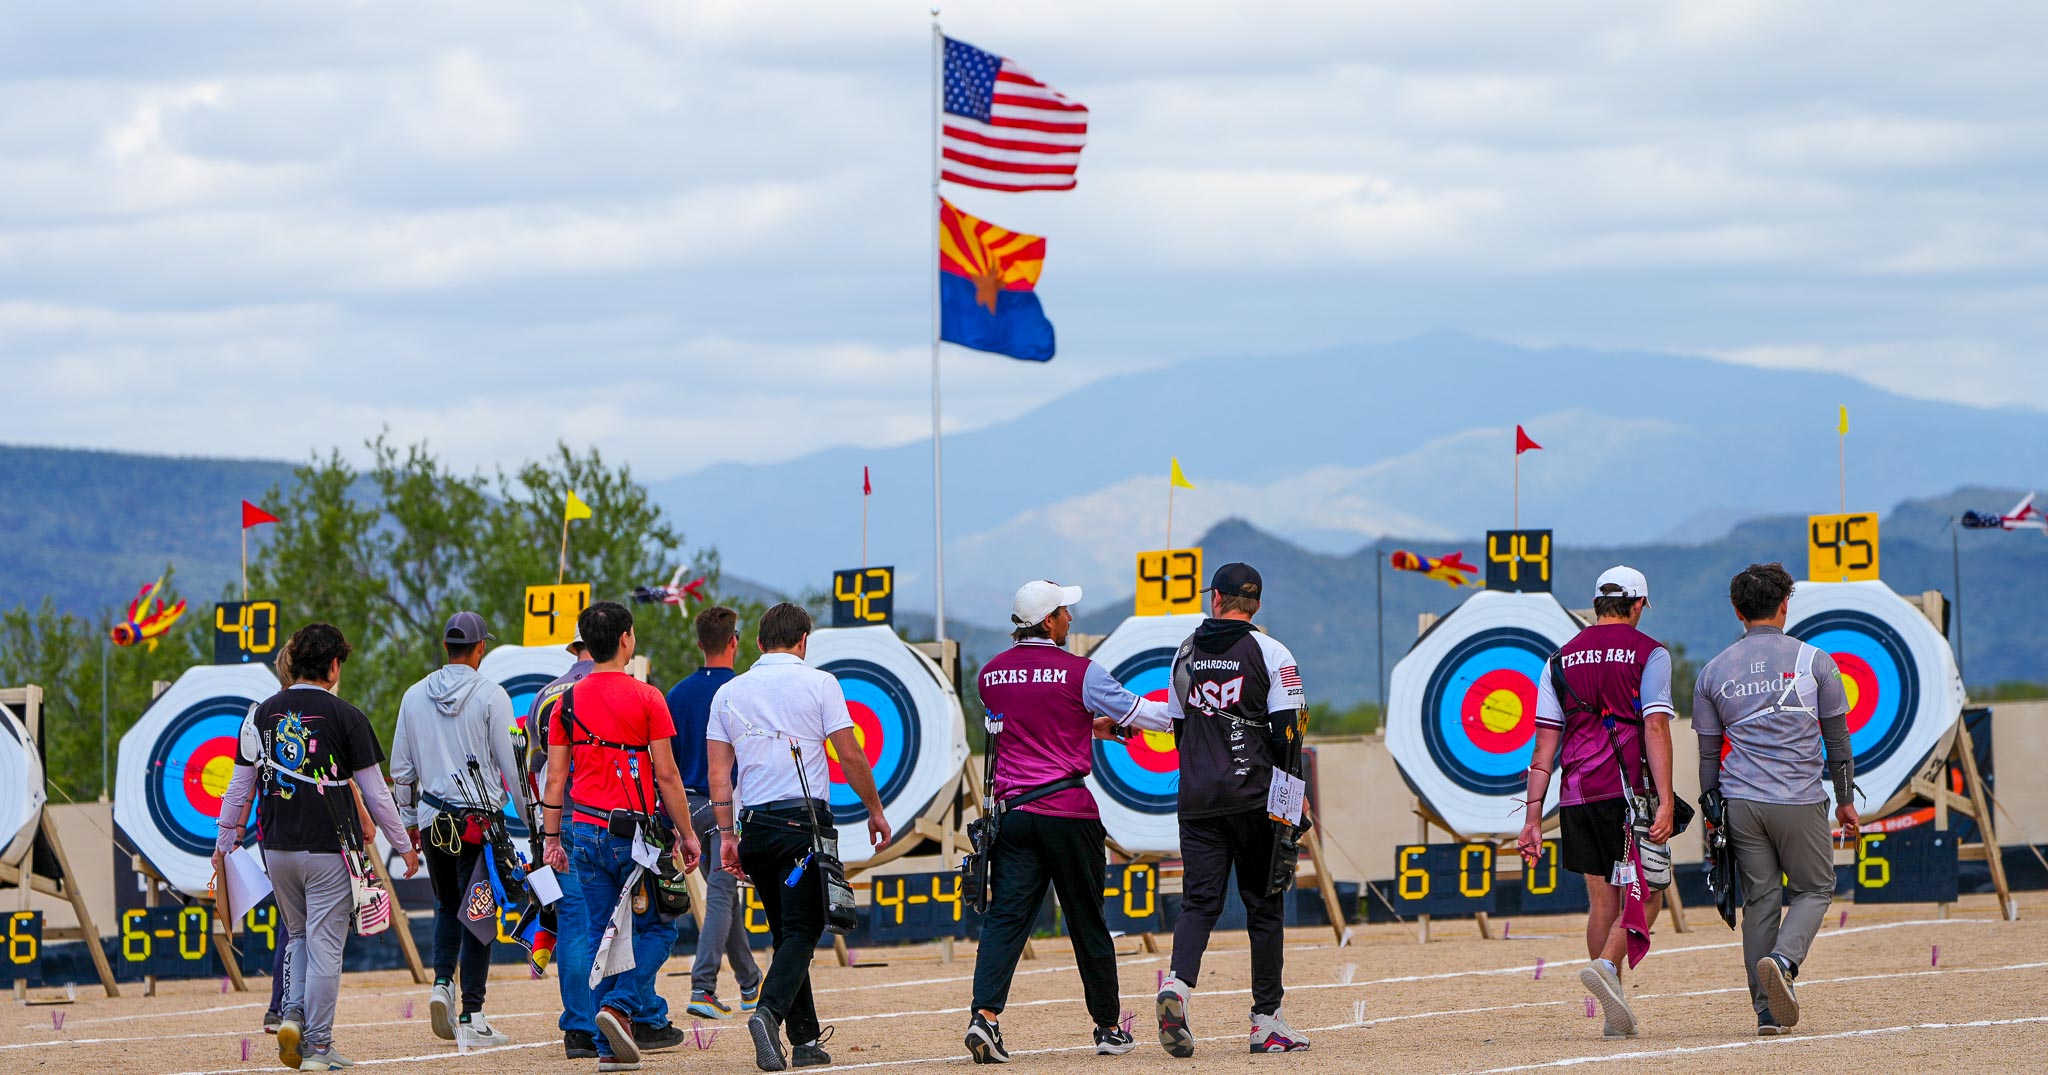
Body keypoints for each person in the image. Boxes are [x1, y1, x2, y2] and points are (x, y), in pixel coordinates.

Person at [963, 580, 1167, 1063]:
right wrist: (1197, 712)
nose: (1071, 620)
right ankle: (1109, 1028)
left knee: (1007, 920)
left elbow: (1032, 722)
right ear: (1048, 620)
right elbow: (1147, 715)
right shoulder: (1081, 672)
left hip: (1014, 817)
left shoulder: (989, 675)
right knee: (1087, 921)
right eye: (1065, 612)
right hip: (1069, 813)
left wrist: (1090, 726)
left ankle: (984, 1019)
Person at [214, 623, 418, 1071]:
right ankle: (318, 1047)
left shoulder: (259, 715)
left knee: (299, 938)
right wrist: (403, 845)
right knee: (326, 946)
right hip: (329, 850)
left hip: (277, 850)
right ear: (333, 665)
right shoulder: (348, 717)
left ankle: (291, 1015)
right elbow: (377, 795)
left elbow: (238, 790)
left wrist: (224, 843)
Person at [705, 602, 893, 1072]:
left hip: (754, 830)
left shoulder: (728, 691)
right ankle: (768, 1014)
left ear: (757, 643)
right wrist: (874, 809)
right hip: (801, 830)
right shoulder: (820, 682)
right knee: (805, 930)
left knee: (787, 932)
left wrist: (727, 837)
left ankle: (805, 1040)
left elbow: (717, 774)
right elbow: (848, 755)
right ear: (804, 640)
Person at [1692, 562, 1859, 1036]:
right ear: (1785, 604)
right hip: (1799, 800)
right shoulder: (1816, 661)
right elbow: (1837, 741)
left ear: (1736, 610)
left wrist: (1712, 811)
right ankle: (1784, 962)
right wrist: (1845, 800)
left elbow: (1707, 755)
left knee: (1761, 901)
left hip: (1740, 801)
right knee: (1815, 888)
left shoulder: (1713, 671)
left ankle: (1766, 1012)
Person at [1153, 562, 1313, 1056]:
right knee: (1264, 908)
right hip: (1255, 798)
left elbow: (1180, 728)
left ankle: (1176, 987)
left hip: (1197, 799)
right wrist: (1291, 809)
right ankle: (1266, 1022)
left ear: (1216, 599)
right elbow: (1290, 736)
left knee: (1199, 903)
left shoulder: (1186, 651)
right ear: (1256, 604)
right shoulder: (1272, 651)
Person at [537, 602, 700, 1072]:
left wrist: (552, 839)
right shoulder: (649, 698)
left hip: (582, 831)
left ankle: (609, 1045)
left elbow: (555, 779)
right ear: (626, 639)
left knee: (596, 934)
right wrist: (687, 835)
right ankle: (621, 1007)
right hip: (635, 837)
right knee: (660, 927)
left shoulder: (563, 702)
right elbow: (667, 775)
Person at [1516, 566, 1677, 1040]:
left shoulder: (1559, 659)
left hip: (1575, 797)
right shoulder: (1651, 653)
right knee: (1647, 894)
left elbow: (1545, 745)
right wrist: (1664, 800)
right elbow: (1656, 727)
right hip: (1627, 795)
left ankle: (1614, 1010)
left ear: (1596, 605)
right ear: (1638, 605)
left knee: (1602, 897)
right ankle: (1607, 965)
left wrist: (1531, 819)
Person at [390, 611, 528, 1049]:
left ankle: (441, 984)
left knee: (447, 904)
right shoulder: (493, 696)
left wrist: (409, 824)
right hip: (478, 823)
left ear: (447, 645)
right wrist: (533, 824)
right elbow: (512, 769)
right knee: (479, 913)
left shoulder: (413, 696)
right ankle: (472, 1014)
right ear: (480, 647)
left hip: (433, 821)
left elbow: (402, 772)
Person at [665, 606, 764, 1020]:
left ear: (699, 642)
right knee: (723, 896)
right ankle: (703, 986)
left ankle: (749, 981)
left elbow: (665, 760)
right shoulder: (744, 689)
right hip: (725, 805)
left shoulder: (676, 694)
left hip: (686, 805)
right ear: (734, 641)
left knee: (726, 901)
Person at [530, 628, 606, 1060]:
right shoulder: (615, 689)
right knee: (614, 923)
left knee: (574, 924)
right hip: (606, 818)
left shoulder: (545, 694)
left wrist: (548, 830)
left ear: (575, 649)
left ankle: (577, 1029)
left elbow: (540, 763)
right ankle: (617, 1018)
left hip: (562, 817)